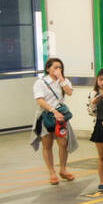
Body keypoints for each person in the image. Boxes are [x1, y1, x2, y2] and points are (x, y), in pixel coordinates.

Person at [31, 56, 77, 184]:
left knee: (63, 142)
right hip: (46, 115)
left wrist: (61, 79)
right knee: (47, 144)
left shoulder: (64, 81)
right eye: (55, 67)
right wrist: (53, 111)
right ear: (48, 69)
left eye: (60, 67)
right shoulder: (41, 83)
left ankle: (63, 169)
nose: (58, 69)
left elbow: (69, 92)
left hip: (61, 116)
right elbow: (40, 100)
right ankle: (52, 172)